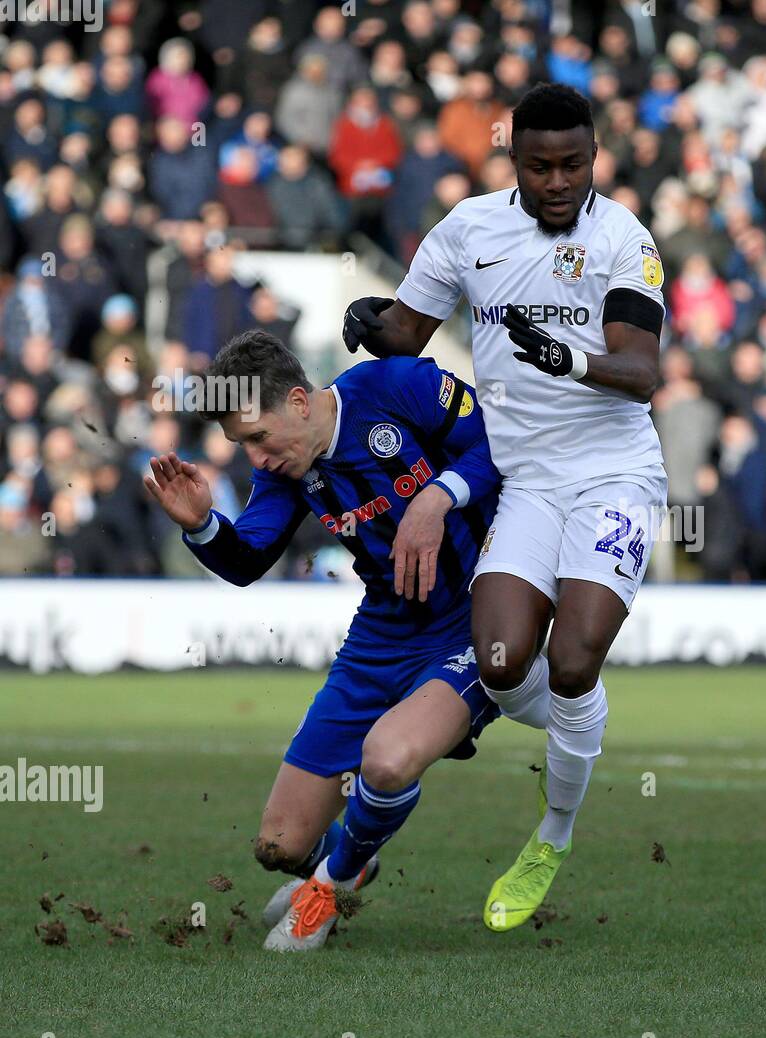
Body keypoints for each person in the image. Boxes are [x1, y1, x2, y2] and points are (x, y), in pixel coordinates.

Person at [341, 83, 667, 932]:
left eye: (574, 164)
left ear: (595, 156)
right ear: (512, 161)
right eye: (540, 165)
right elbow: (407, 331)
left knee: (570, 662)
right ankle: (576, 726)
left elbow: (643, 372)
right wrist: (366, 322)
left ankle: (553, 830)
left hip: (612, 476)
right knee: (496, 663)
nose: (559, 181)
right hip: (526, 480)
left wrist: (568, 356)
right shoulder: (468, 230)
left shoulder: (624, 239)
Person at [143, 330, 500, 950]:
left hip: (476, 622)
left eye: (258, 437)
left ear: (301, 403)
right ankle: (351, 857)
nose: (255, 459)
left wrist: (437, 497)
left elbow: (503, 443)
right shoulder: (289, 472)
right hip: (381, 636)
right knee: (279, 845)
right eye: (239, 445)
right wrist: (202, 525)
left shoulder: (399, 386)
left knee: (386, 762)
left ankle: (329, 890)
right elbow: (247, 559)